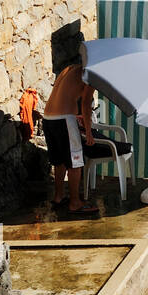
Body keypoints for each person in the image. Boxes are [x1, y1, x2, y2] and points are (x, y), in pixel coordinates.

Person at [42, 62, 98, 215]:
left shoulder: (69, 69)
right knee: (75, 162)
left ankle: (59, 196)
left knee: (59, 161)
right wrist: (89, 131)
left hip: (48, 119)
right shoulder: (92, 74)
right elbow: (86, 104)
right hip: (64, 120)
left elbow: (66, 95)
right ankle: (75, 202)